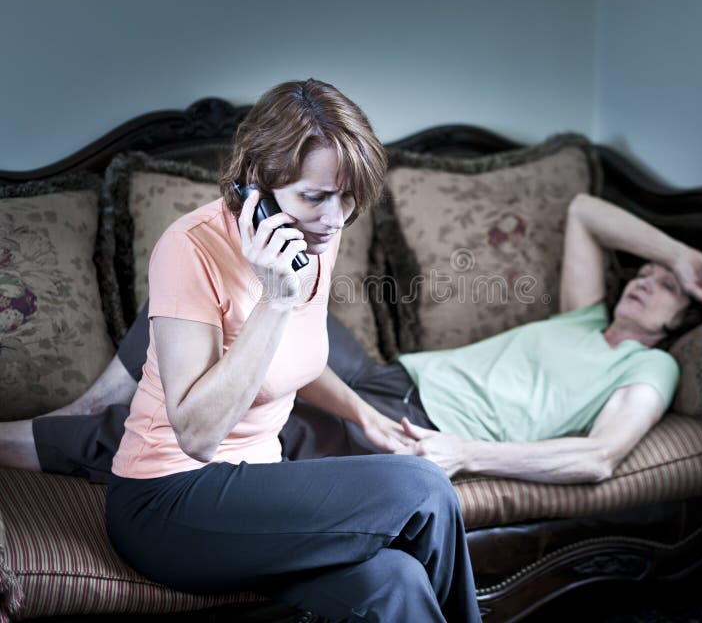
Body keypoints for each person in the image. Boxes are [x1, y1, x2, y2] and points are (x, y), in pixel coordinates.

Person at [6, 80, 482, 623]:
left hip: (255, 490)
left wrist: (365, 416)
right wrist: (275, 300)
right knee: (423, 486)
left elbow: (294, 360)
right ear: (258, 183)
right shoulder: (192, 247)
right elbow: (197, 436)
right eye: (315, 196)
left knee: (395, 583)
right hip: (168, 502)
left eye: (348, 197)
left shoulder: (318, 236)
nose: (334, 218)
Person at [2, 192, 702, 487]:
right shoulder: (585, 315)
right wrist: (680, 255)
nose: (647, 280)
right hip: (390, 374)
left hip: (420, 426)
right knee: (225, 287)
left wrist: (463, 454)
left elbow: (600, 457)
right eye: (645, 271)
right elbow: (584, 212)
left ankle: (25, 442)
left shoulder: (649, 368)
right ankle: (90, 399)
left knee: (229, 430)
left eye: (667, 287)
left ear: (680, 323)